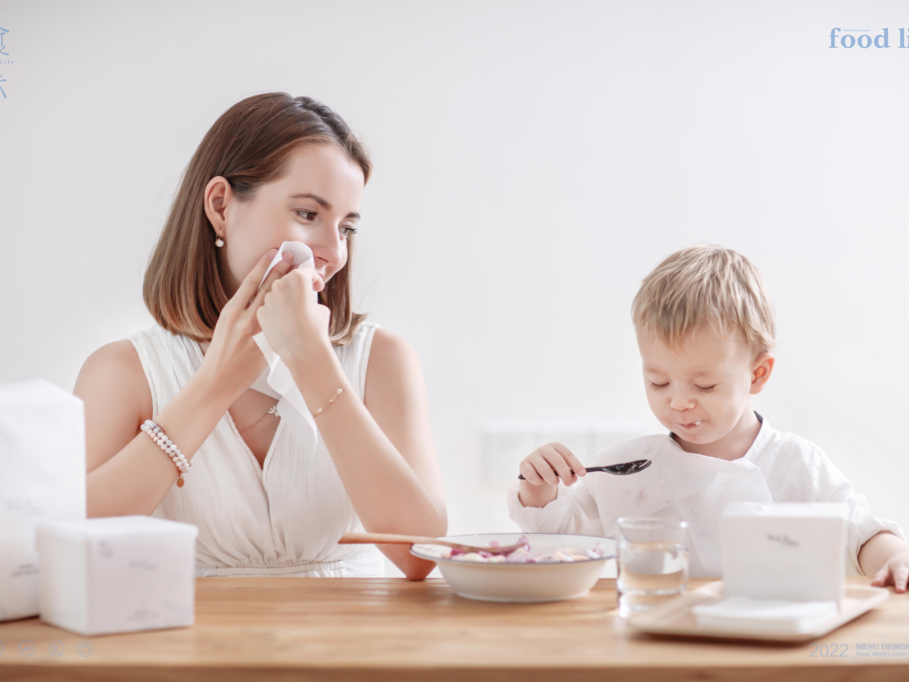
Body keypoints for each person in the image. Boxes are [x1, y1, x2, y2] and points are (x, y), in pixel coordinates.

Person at [75, 93, 447, 579]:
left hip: (355, 626)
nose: (333, 253)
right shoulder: (124, 372)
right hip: (193, 626)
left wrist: (313, 362)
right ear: (220, 206)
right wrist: (216, 384)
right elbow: (71, 547)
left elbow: (420, 554)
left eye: (347, 229)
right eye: (308, 215)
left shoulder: (382, 359)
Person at [508, 245, 909, 590]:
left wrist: (896, 558)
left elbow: (861, 535)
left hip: (771, 640)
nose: (679, 402)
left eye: (704, 386)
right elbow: (560, 539)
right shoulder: (626, 471)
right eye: (659, 382)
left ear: (757, 374)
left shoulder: (798, 465)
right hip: (660, 639)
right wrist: (539, 486)